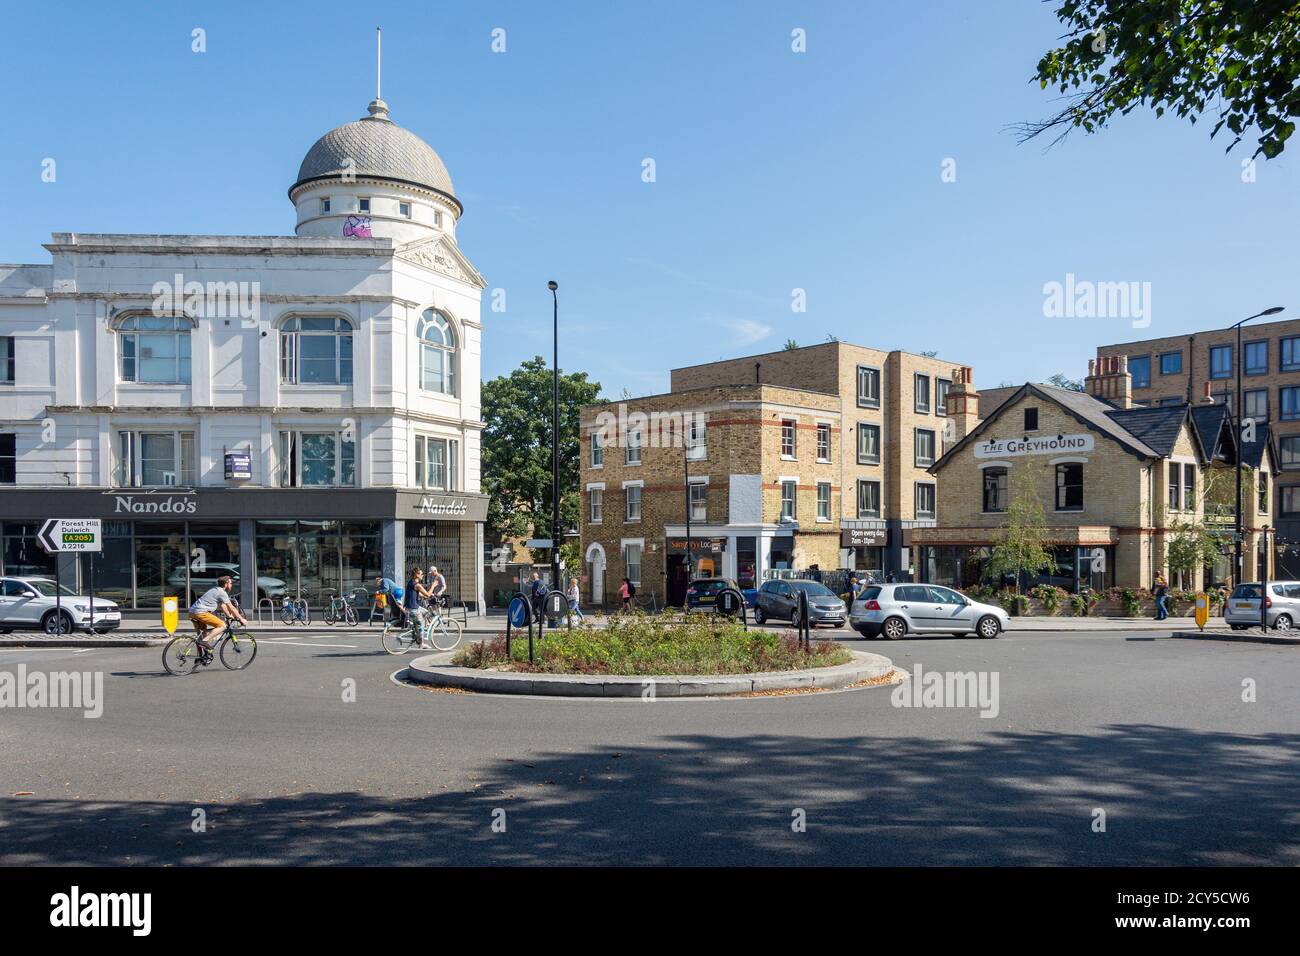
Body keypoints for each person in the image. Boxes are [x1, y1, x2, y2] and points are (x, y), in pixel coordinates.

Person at [187, 574, 248, 659]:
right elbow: (231, 607)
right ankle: (204, 642)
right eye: (230, 583)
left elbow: (223, 606)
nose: (231, 585)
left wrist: (229, 616)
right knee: (222, 625)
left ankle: (202, 657)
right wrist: (241, 619)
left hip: (192, 612)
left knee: (203, 633)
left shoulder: (215, 590)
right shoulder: (222, 592)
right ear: (226, 584)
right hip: (201, 612)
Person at [404, 567, 435, 649]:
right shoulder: (417, 585)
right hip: (414, 609)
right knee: (421, 624)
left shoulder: (411, 582)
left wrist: (423, 595)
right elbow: (427, 594)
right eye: (421, 574)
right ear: (417, 575)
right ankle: (422, 643)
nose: (423, 575)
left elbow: (416, 593)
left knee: (426, 612)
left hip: (410, 607)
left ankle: (417, 630)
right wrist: (433, 586)